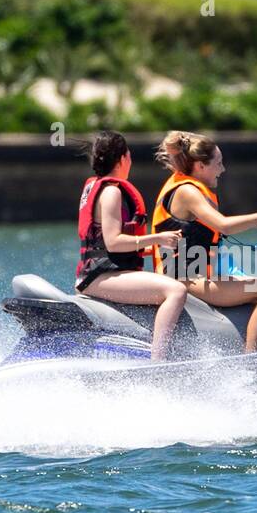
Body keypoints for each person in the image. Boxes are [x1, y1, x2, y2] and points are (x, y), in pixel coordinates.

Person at [151, 130, 257, 353]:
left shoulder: (184, 185)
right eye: (218, 163)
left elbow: (207, 225)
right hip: (185, 279)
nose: (223, 169)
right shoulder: (187, 191)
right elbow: (223, 225)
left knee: (252, 280)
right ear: (200, 166)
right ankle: (250, 357)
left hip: (190, 275)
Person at [76, 131, 186, 360]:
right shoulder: (111, 192)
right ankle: (159, 361)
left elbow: (107, 245)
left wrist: (150, 249)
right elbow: (114, 242)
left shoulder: (98, 187)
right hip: (99, 276)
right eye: (129, 156)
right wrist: (157, 238)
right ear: (123, 158)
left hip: (101, 272)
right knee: (175, 291)